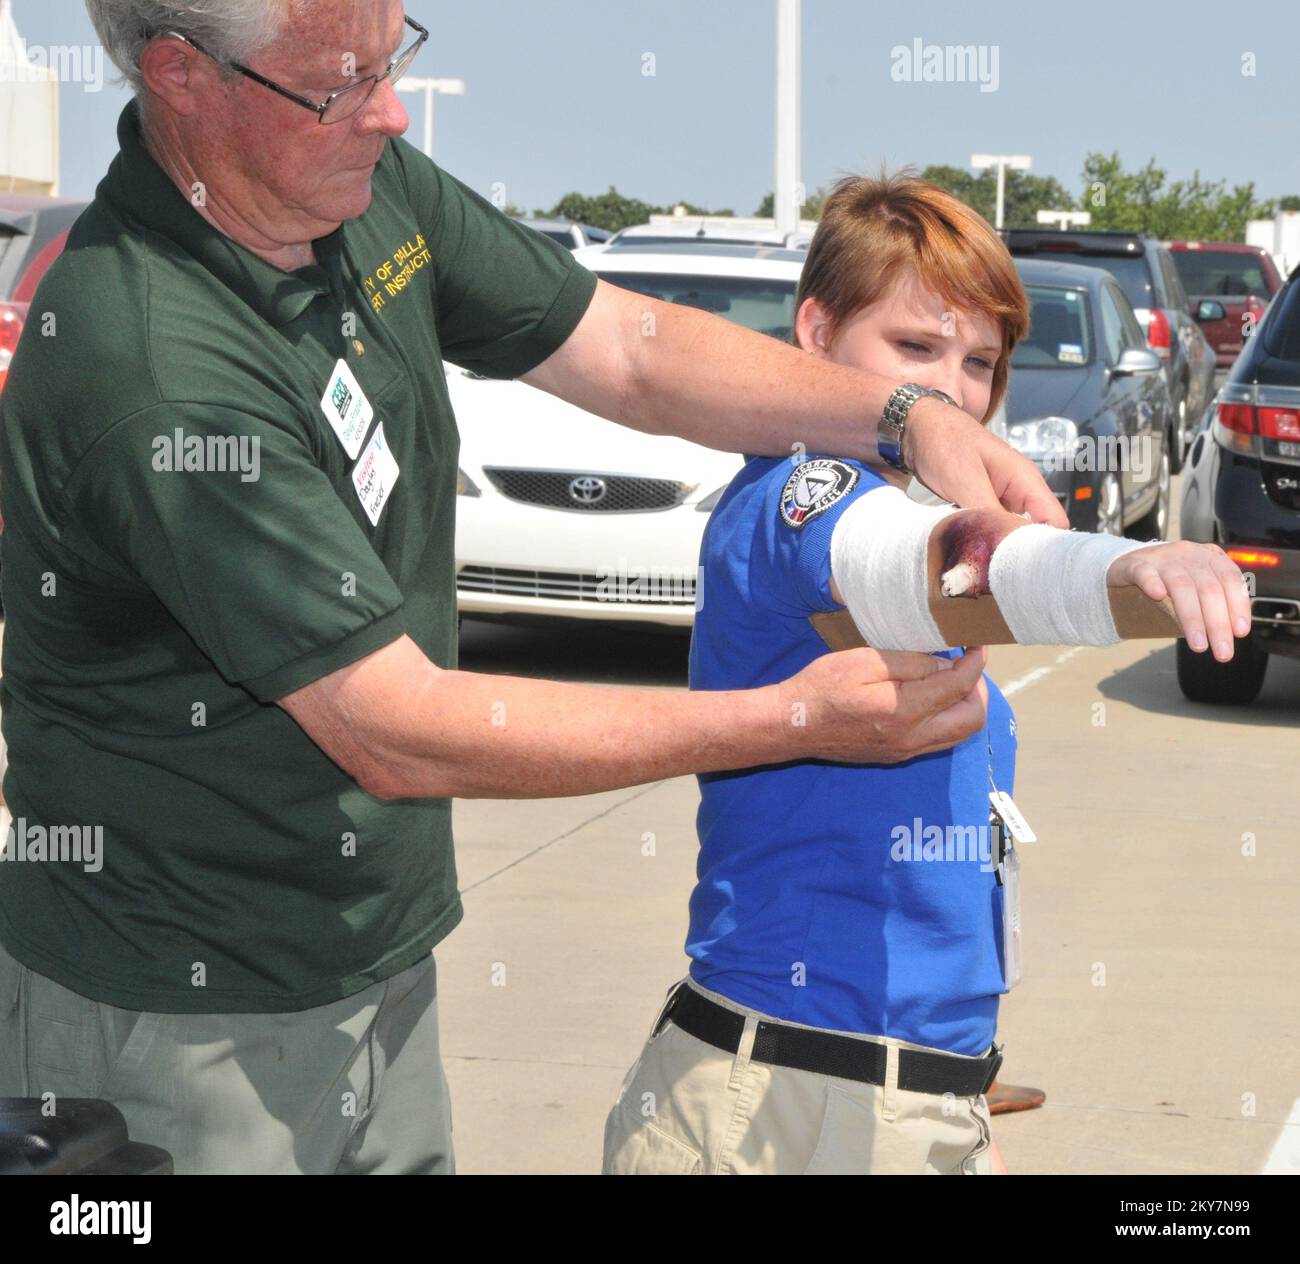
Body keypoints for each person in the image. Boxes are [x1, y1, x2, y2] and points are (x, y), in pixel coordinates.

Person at [0, 2, 1070, 1176]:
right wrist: (796, 719)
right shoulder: (159, 369)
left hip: (374, 964)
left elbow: (629, 349)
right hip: (180, 1014)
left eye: (392, 56)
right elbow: (394, 728)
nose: (390, 111)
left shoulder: (358, 187)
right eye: (338, 85)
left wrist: (904, 415)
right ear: (181, 76)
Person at [602, 172, 1250, 1175]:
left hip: (907, 1100)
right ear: (814, 334)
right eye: (913, 347)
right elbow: (918, 570)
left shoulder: (888, 502)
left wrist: (960, 1107)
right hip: (785, 1108)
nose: (953, 389)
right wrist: (1126, 571)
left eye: (981, 360)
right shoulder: (800, 491)